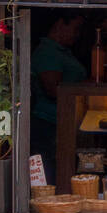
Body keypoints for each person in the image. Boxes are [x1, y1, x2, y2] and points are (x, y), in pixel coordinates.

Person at [30, 12, 87, 186]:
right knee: (52, 170)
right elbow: (53, 89)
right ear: (60, 24)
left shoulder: (62, 52)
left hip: (60, 122)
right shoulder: (48, 52)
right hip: (48, 124)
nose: (77, 34)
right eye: (75, 29)